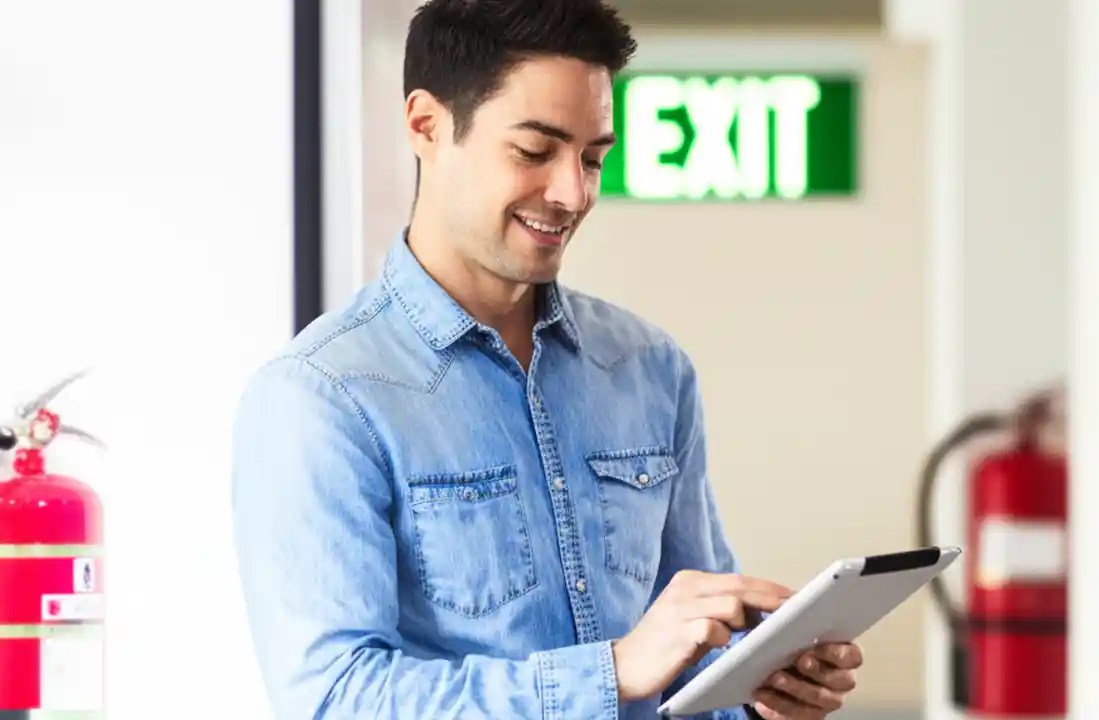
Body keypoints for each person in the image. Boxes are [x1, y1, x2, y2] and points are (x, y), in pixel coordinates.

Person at [230, 1, 864, 718]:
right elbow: (335, 699)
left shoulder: (650, 369)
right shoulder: (320, 398)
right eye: (535, 151)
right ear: (426, 126)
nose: (573, 192)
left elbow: (691, 668)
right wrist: (611, 672)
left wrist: (754, 692)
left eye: (594, 157)